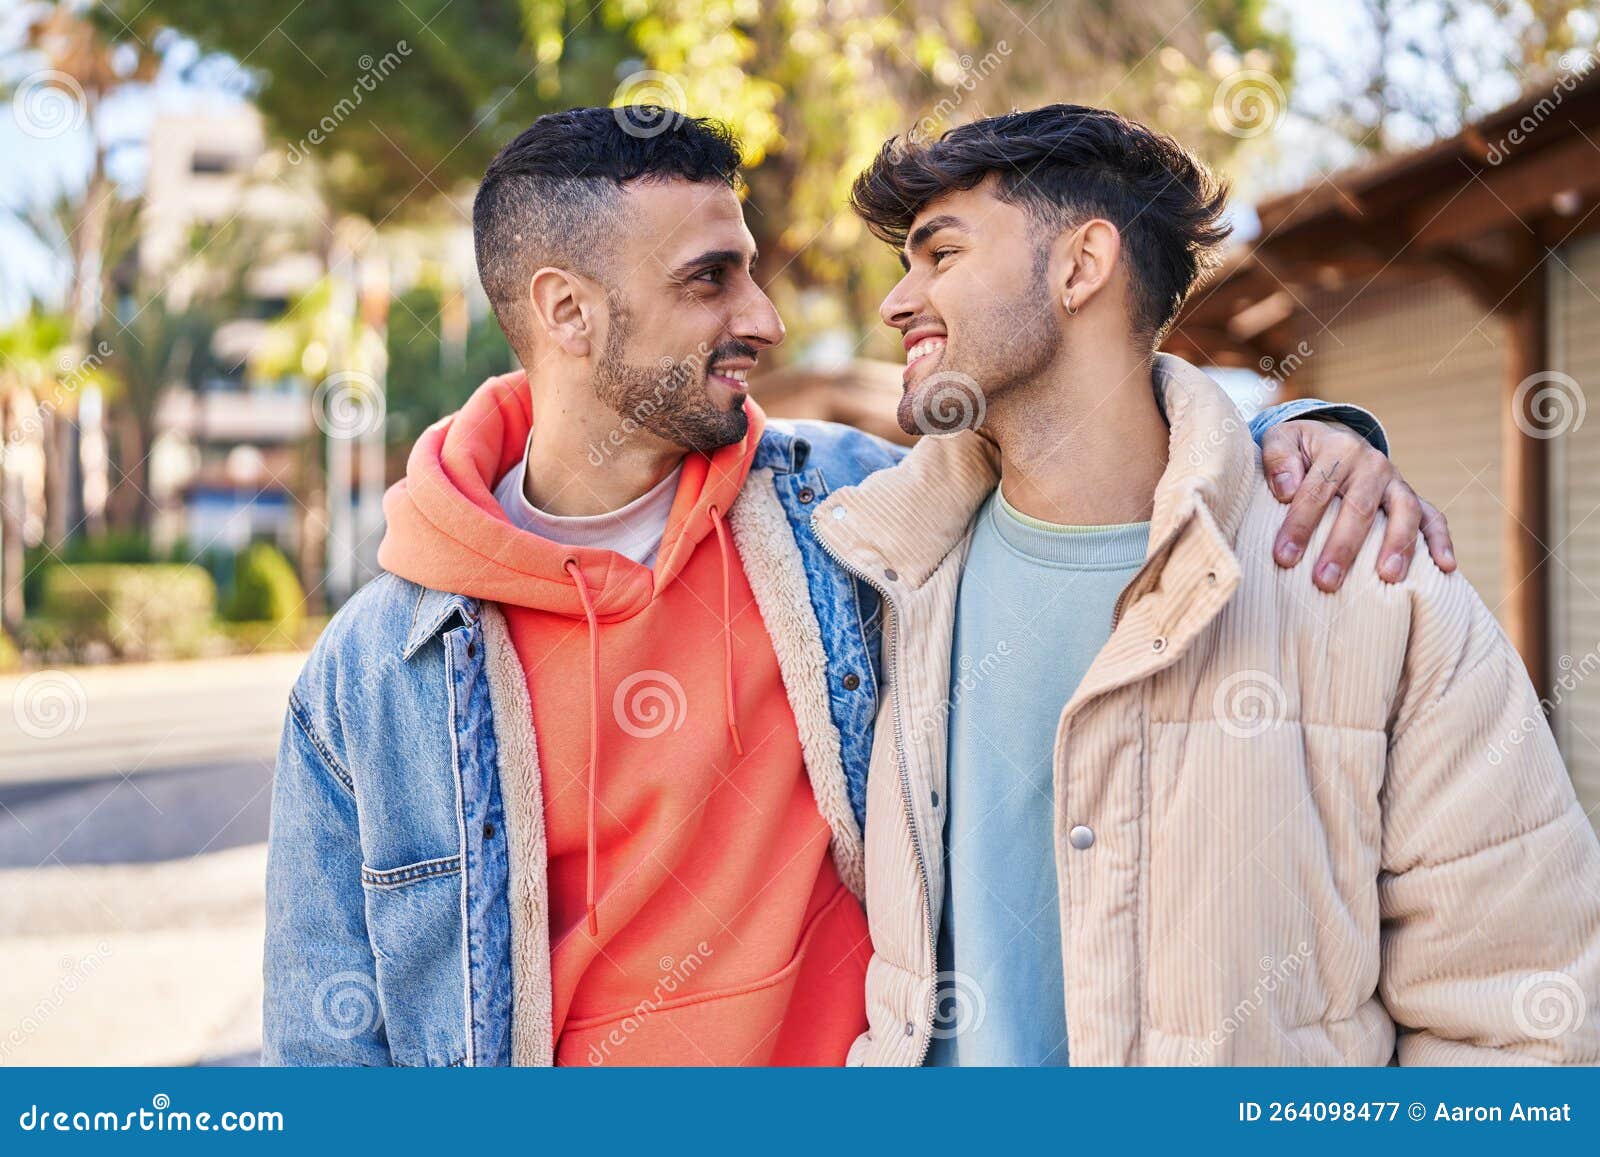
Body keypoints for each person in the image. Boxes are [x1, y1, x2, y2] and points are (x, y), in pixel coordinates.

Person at [262, 107, 1453, 1066]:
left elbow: (1094, 438)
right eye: (710, 280)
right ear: (566, 311)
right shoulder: (373, 676)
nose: (765, 319)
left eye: (752, 272)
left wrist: (1300, 434)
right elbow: (327, 1052)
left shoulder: (855, 512)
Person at [815, 103, 1600, 1066]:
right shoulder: (874, 576)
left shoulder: (1371, 588)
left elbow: (1523, 1019)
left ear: (1080, 266)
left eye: (940, 254)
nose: (897, 303)